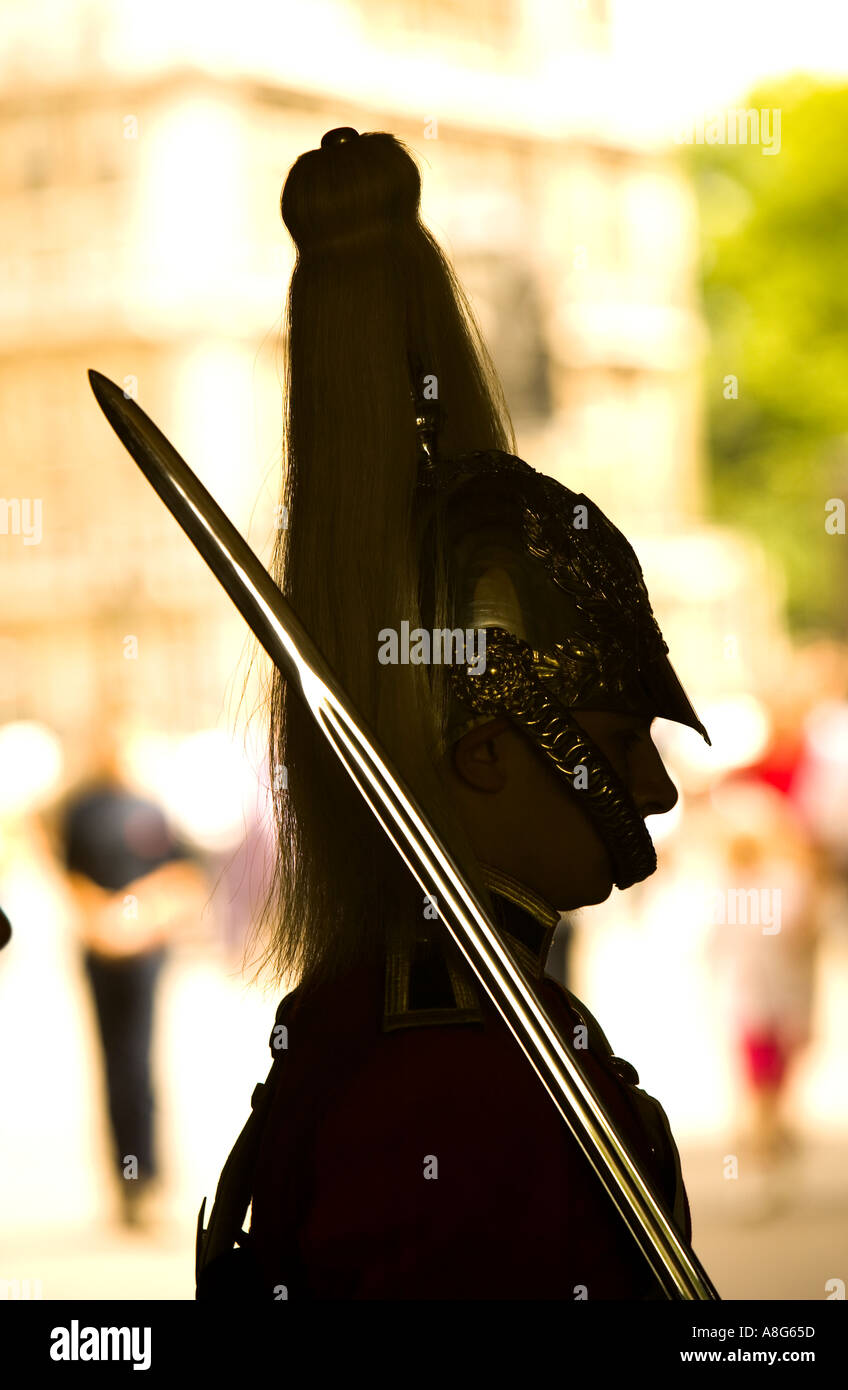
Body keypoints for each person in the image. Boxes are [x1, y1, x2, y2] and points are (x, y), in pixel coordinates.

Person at [197, 127, 712, 1300]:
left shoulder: (431, 1025)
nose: (654, 788)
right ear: (485, 751)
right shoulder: (458, 1086)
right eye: (619, 736)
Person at [59, 715, 205, 1227]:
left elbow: (186, 875)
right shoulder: (81, 808)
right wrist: (101, 919)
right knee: (112, 1063)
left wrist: (143, 913)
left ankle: (147, 1173)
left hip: (145, 951)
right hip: (100, 949)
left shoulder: (153, 808)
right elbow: (68, 873)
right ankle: (125, 1178)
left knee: (139, 1060)